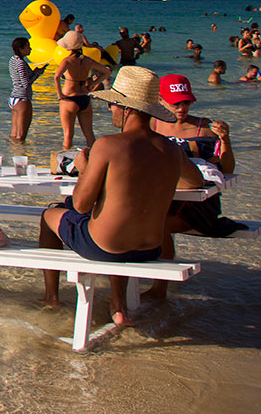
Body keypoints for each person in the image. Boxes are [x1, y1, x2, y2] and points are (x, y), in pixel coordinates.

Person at [39, 66, 205, 325]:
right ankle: (118, 304)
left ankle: (51, 298)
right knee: (119, 214)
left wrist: (84, 171)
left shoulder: (108, 145)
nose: (111, 111)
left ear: (124, 107)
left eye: (112, 105)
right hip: (150, 248)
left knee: (49, 215)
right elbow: (196, 181)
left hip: (105, 247)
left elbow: (81, 206)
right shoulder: (171, 150)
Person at [54, 30, 110, 150]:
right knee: (89, 135)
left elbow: (57, 77)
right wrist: (93, 84)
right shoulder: (88, 60)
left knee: (68, 136)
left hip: (69, 99)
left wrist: (59, 94)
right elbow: (106, 71)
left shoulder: (67, 61)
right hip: (84, 98)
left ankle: (65, 163)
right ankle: (94, 162)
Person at [8, 37, 46, 143]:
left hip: (14, 97)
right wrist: (38, 74)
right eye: (28, 46)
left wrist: (34, 72)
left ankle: (14, 155)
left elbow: (20, 79)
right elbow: (25, 83)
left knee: (14, 135)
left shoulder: (13, 60)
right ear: (21, 49)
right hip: (22, 98)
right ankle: (20, 156)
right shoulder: (20, 63)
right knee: (21, 137)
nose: (30, 49)